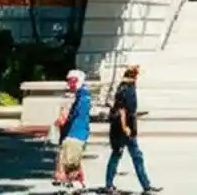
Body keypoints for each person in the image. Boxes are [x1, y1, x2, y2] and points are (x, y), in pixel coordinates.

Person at [105, 65, 161, 195]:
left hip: (126, 127)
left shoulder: (125, 87)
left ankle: (145, 185)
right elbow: (122, 110)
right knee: (128, 156)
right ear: (133, 76)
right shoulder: (126, 89)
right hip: (124, 129)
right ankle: (145, 186)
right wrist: (125, 127)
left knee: (125, 155)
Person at [53, 69, 92, 188]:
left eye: (73, 81)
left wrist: (64, 120)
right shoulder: (80, 95)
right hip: (73, 132)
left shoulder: (83, 96)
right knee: (70, 159)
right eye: (69, 81)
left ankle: (75, 182)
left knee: (71, 160)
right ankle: (74, 181)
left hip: (76, 133)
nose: (70, 84)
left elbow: (77, 115)